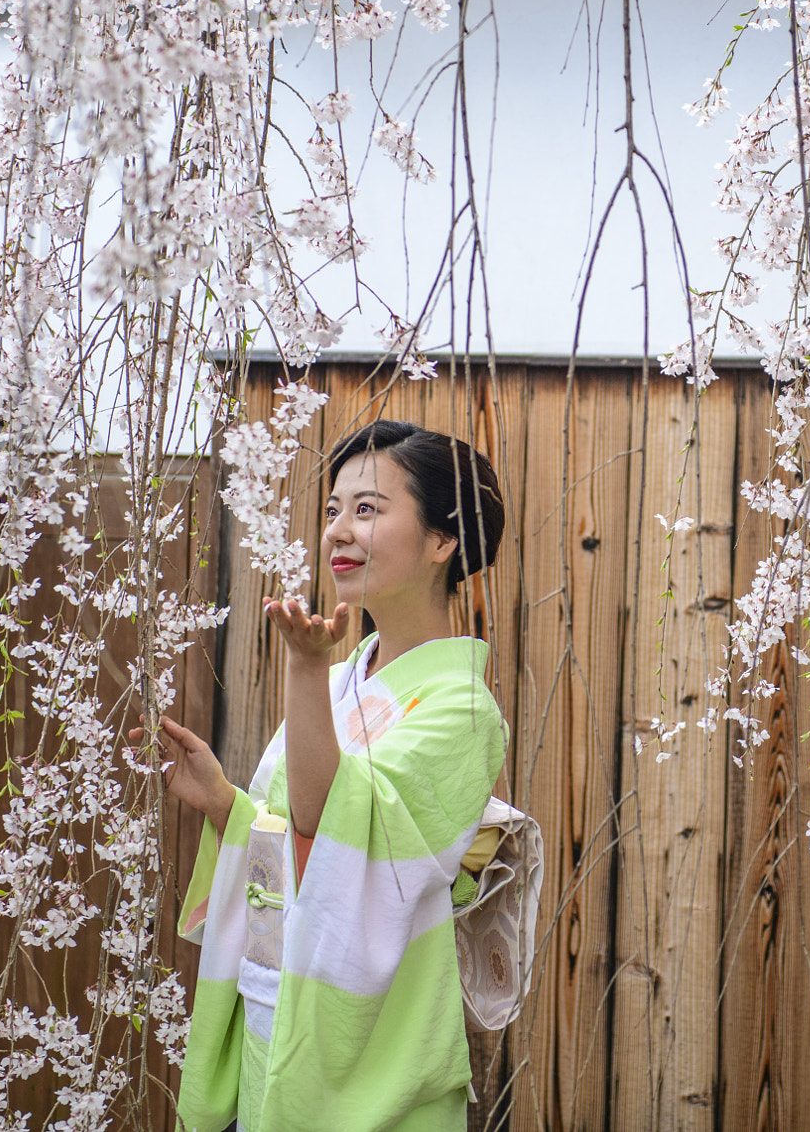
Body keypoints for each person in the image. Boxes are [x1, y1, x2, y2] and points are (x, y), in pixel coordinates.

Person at [144, 420, 507, 1131]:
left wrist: (304, 668)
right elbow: (289, 840)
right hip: (273, 1027)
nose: (338, 530)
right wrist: (224, 800)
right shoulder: (340, 682)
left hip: (371, 1061)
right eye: (334, 509)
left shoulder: (462, 707)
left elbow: (335, 825)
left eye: (368, 509)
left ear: (442, 539)